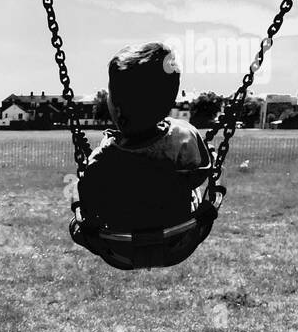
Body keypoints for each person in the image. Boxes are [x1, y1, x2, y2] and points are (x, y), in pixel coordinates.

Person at [76, 42, 213, 233]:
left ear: (117, 107)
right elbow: (202, 170)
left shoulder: (103, 159)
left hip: (122, 242)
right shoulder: (185, 137)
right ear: (169, 102)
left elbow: (89, 205)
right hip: (175, 234)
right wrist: (211, 155)